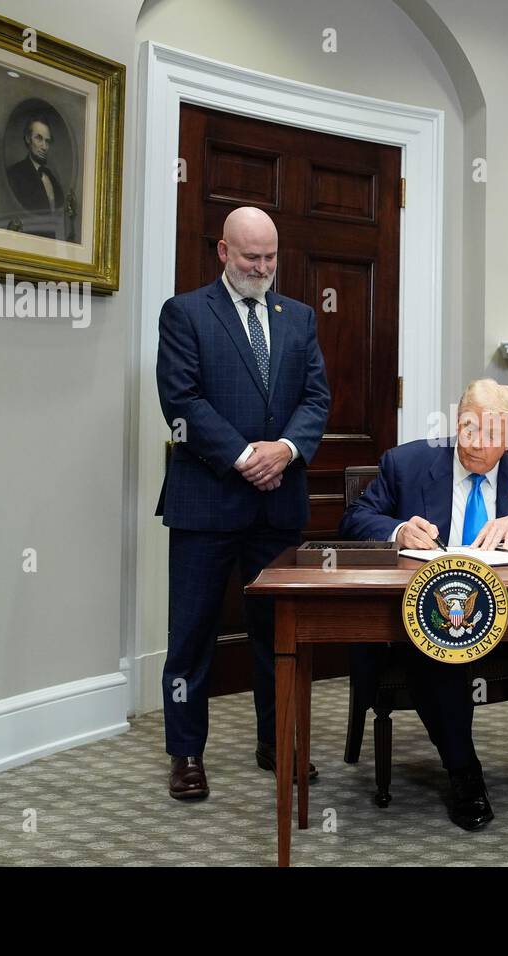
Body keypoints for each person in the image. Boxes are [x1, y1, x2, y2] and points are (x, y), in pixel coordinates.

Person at [340, 379, 508, 831]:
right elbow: (355, 519)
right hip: (434, 617)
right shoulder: (408, 462)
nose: (478, 444)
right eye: (470, 429)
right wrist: (399, 530)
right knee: (440, 649)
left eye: (493, 436)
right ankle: (464, 774)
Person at [156, 206, 330, 800]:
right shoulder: (184, 313)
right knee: (192, 635)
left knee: (275, 634)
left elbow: (315, 398)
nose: (262, 267)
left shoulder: (300, 318)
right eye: (251, 256)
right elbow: (181, 401)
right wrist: (242, 457)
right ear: (224, 252)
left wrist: (283, 449)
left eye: (271, 257)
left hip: (277, 505)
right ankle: (185, 754)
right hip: (205, 501)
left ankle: (276, 740)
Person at [5, 115, 64, 212]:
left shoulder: (52, 177)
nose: (44, 147)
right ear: (28, 139)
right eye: (39, 138)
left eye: (47, 141)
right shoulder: (14, 175)